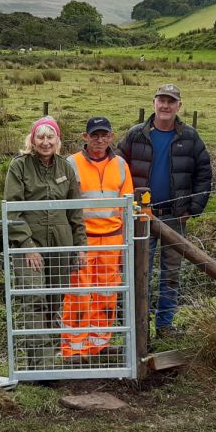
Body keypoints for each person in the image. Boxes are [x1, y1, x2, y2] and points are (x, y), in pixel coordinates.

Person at [117, 84, 211, 338]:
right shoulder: (135, 135)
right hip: (141, 218)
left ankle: (165, 325)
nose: (166, 106)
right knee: (140, 273)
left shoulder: (190, 137)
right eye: (162, 100)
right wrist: (125, 206)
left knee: (171, 274)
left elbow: (204, 173)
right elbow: (117, 166)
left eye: (171, 101)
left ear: (179, 106)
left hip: (174, 215)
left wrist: (193, 208)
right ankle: (139, 327)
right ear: (154, 103)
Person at [4, 117, 87, 369]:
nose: (45, 142)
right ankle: (40, 367)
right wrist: (28, 246)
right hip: (31, 246)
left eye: (50, 137)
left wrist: (80, 246)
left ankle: (49, 360)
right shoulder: (19, 167)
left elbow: (75, 212)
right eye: (40, 137)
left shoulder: (66, 168)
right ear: (32, 140)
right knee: (35, 300)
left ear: (57, 140)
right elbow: (12, 210)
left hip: (61, 246)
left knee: (54, 301)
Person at [62, 117, 133, 364]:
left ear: (111, 137)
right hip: (84, 240)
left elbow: (127, 207)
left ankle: (99, 347)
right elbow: (66, 207)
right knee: (78, 294)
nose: (99, 140)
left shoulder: (121, 165)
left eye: (104, 135)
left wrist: (126, 244)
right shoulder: (71, 163)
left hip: (112, 241)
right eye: (95, 135)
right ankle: (73, 349)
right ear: (86, 137)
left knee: (106, 294)